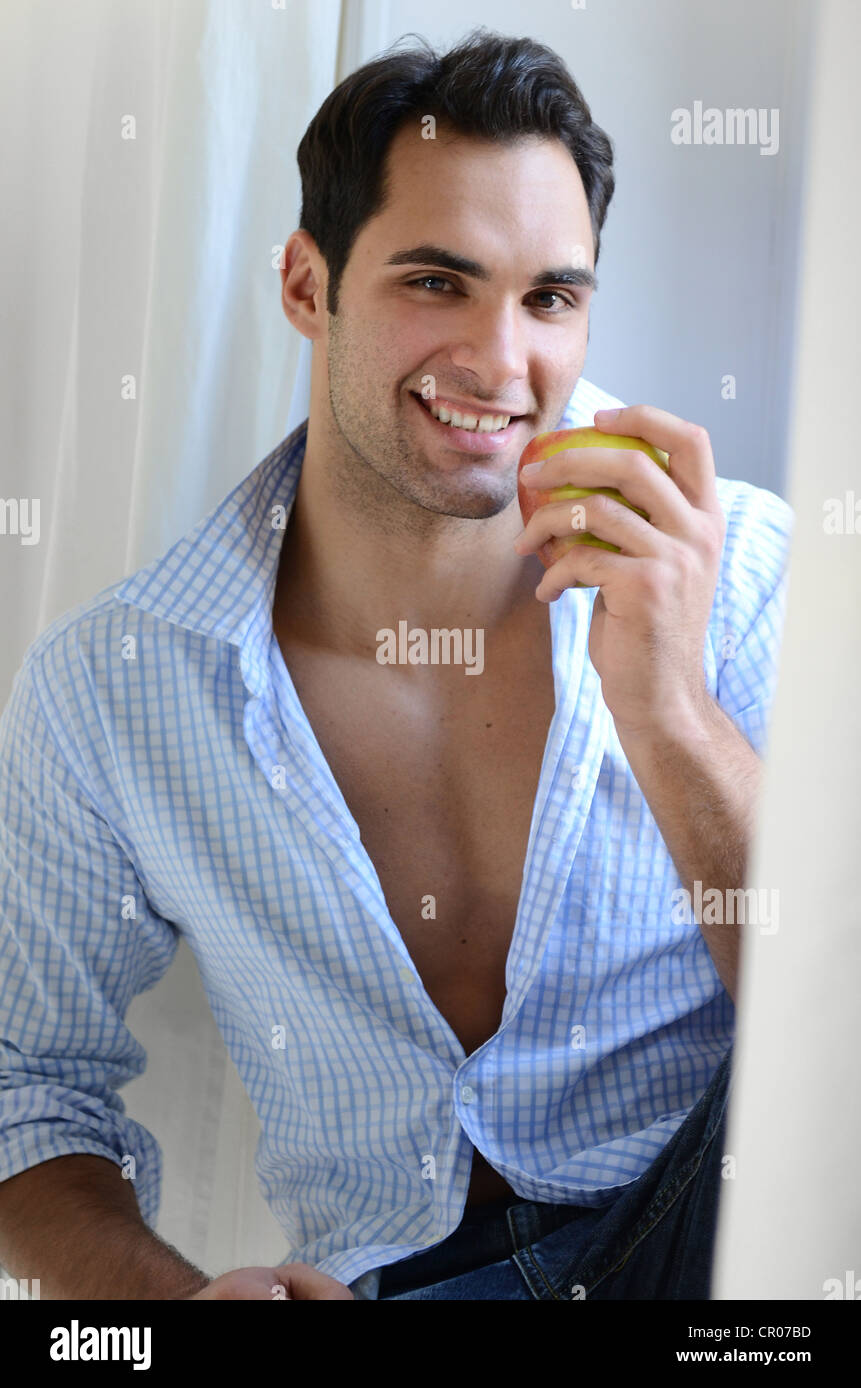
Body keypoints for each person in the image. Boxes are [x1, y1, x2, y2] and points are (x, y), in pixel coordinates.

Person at [0, 29, 792, 1300]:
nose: (498, 360)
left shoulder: (737, 567)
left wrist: (670, 708)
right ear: (307, 286)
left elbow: (841, 1040)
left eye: (549, 298)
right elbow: (23, 1091)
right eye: (438, 280)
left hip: (711, 1247)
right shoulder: (111, 688)